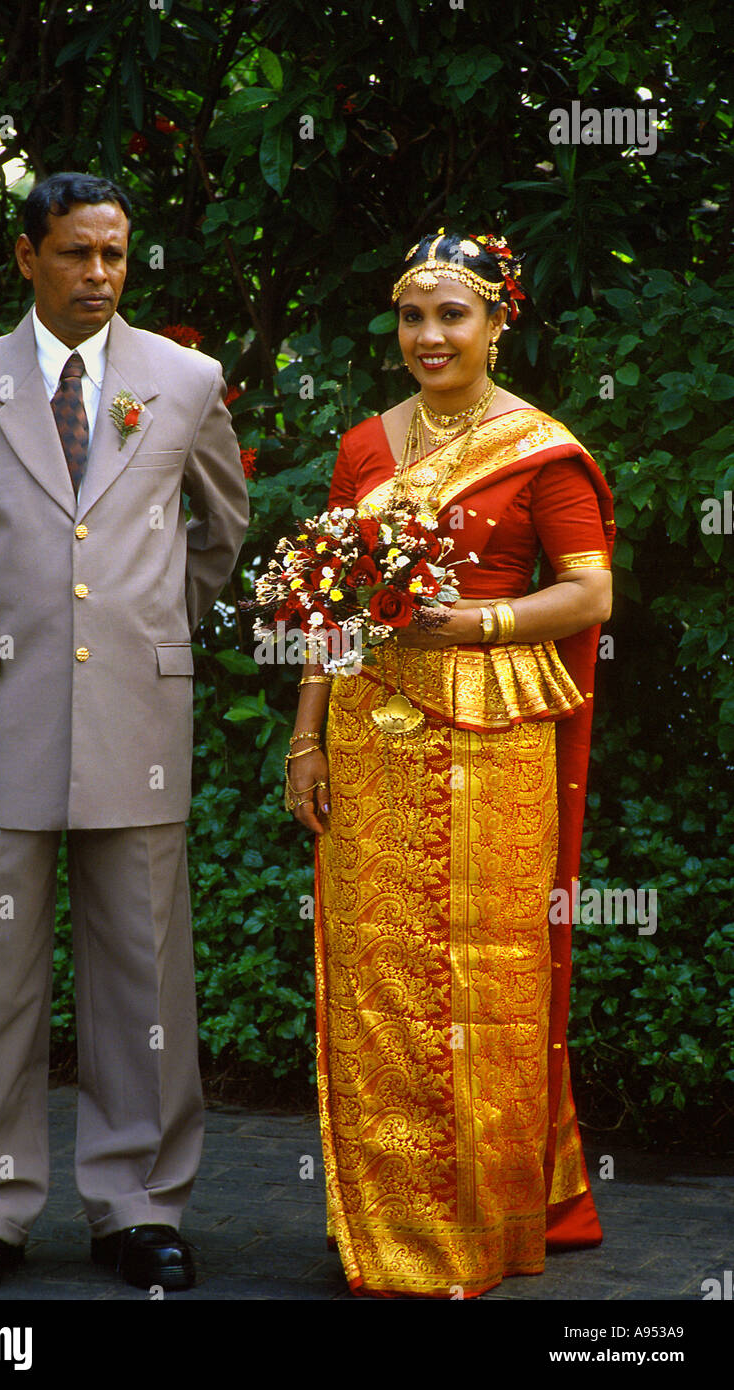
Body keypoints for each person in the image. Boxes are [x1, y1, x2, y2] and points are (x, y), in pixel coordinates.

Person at [0, 171, 249, 1296]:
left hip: (140, 721)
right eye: (78, 254)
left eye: (117, 255)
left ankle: (138, 1205)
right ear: (27, 258)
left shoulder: (183, 380)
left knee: (144, 978)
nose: (101, 275)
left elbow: (223, 527)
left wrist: (154, 629)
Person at [287, 229, 614, 1298]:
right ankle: (384, 1225)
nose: (429, 335)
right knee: (379, 972)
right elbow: (331, 607)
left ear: (497, 321)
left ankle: (482, 1222)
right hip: (364, 734)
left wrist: (476, 621)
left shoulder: (538, 448)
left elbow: (588, 592)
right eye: (414, 315)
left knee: (481, 977)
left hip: (489, 733)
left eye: (453, 314)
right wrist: (303, 735)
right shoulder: (363, 447)